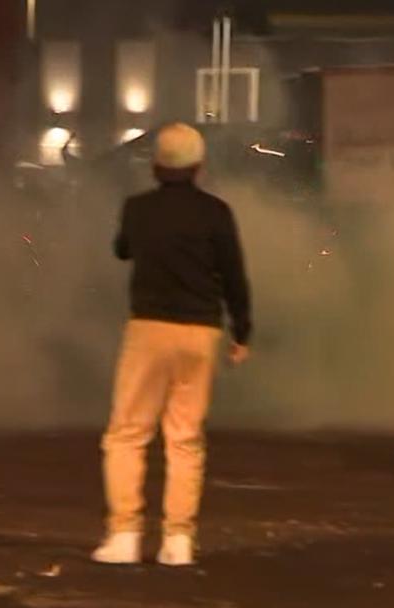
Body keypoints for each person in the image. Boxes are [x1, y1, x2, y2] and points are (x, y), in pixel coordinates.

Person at [91, 122, 252, 567]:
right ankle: (178, 540)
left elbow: (123, 250)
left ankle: (125, 533)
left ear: (156, 165)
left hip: (149, 329)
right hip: (201, 332)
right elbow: (234, 277)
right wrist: (242, 331)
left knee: (128, 432)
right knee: (185, 437)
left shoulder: (137, 208)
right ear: (199, 166)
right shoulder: (217, 213)